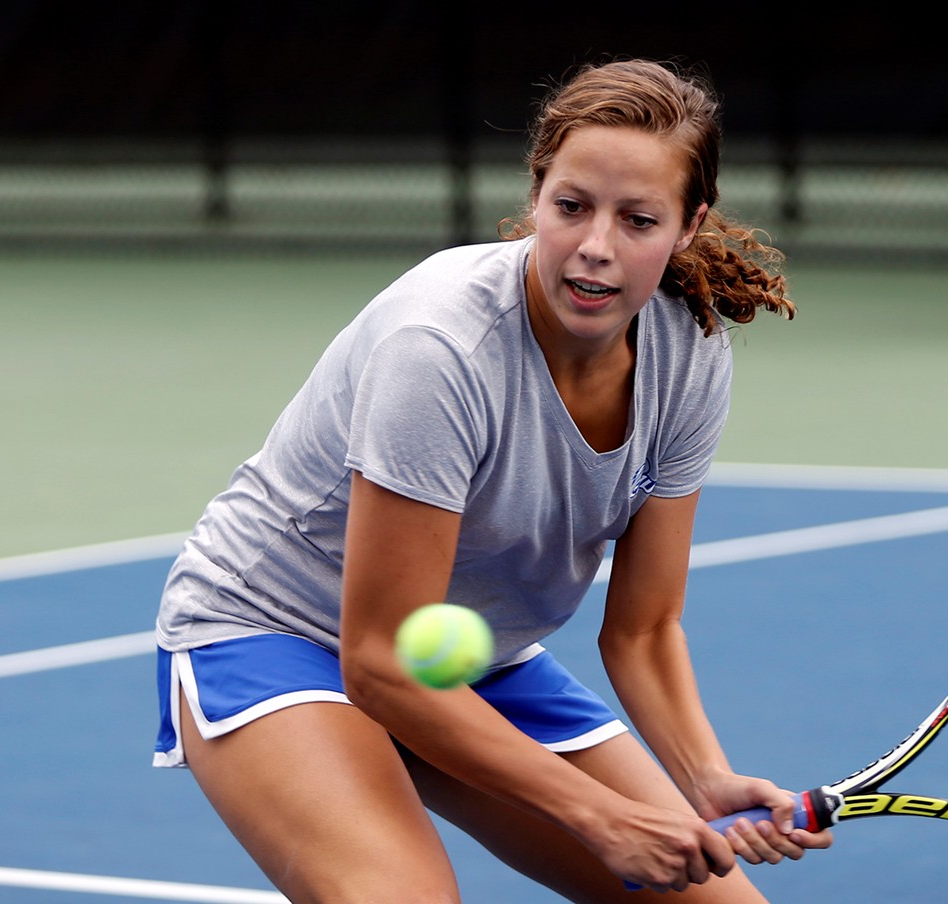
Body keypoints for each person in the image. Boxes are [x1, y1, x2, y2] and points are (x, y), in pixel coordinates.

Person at [153, 57, 830, 902]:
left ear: (689, 226)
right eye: (572, 207)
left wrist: (705, 777)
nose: (596, 246)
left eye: (639, 219)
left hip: (467, 656)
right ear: (536, 197)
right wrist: (600, 814)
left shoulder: (688, 352)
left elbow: (645, 629)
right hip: (281, 633)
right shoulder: (440, 350)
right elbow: (380, 662)